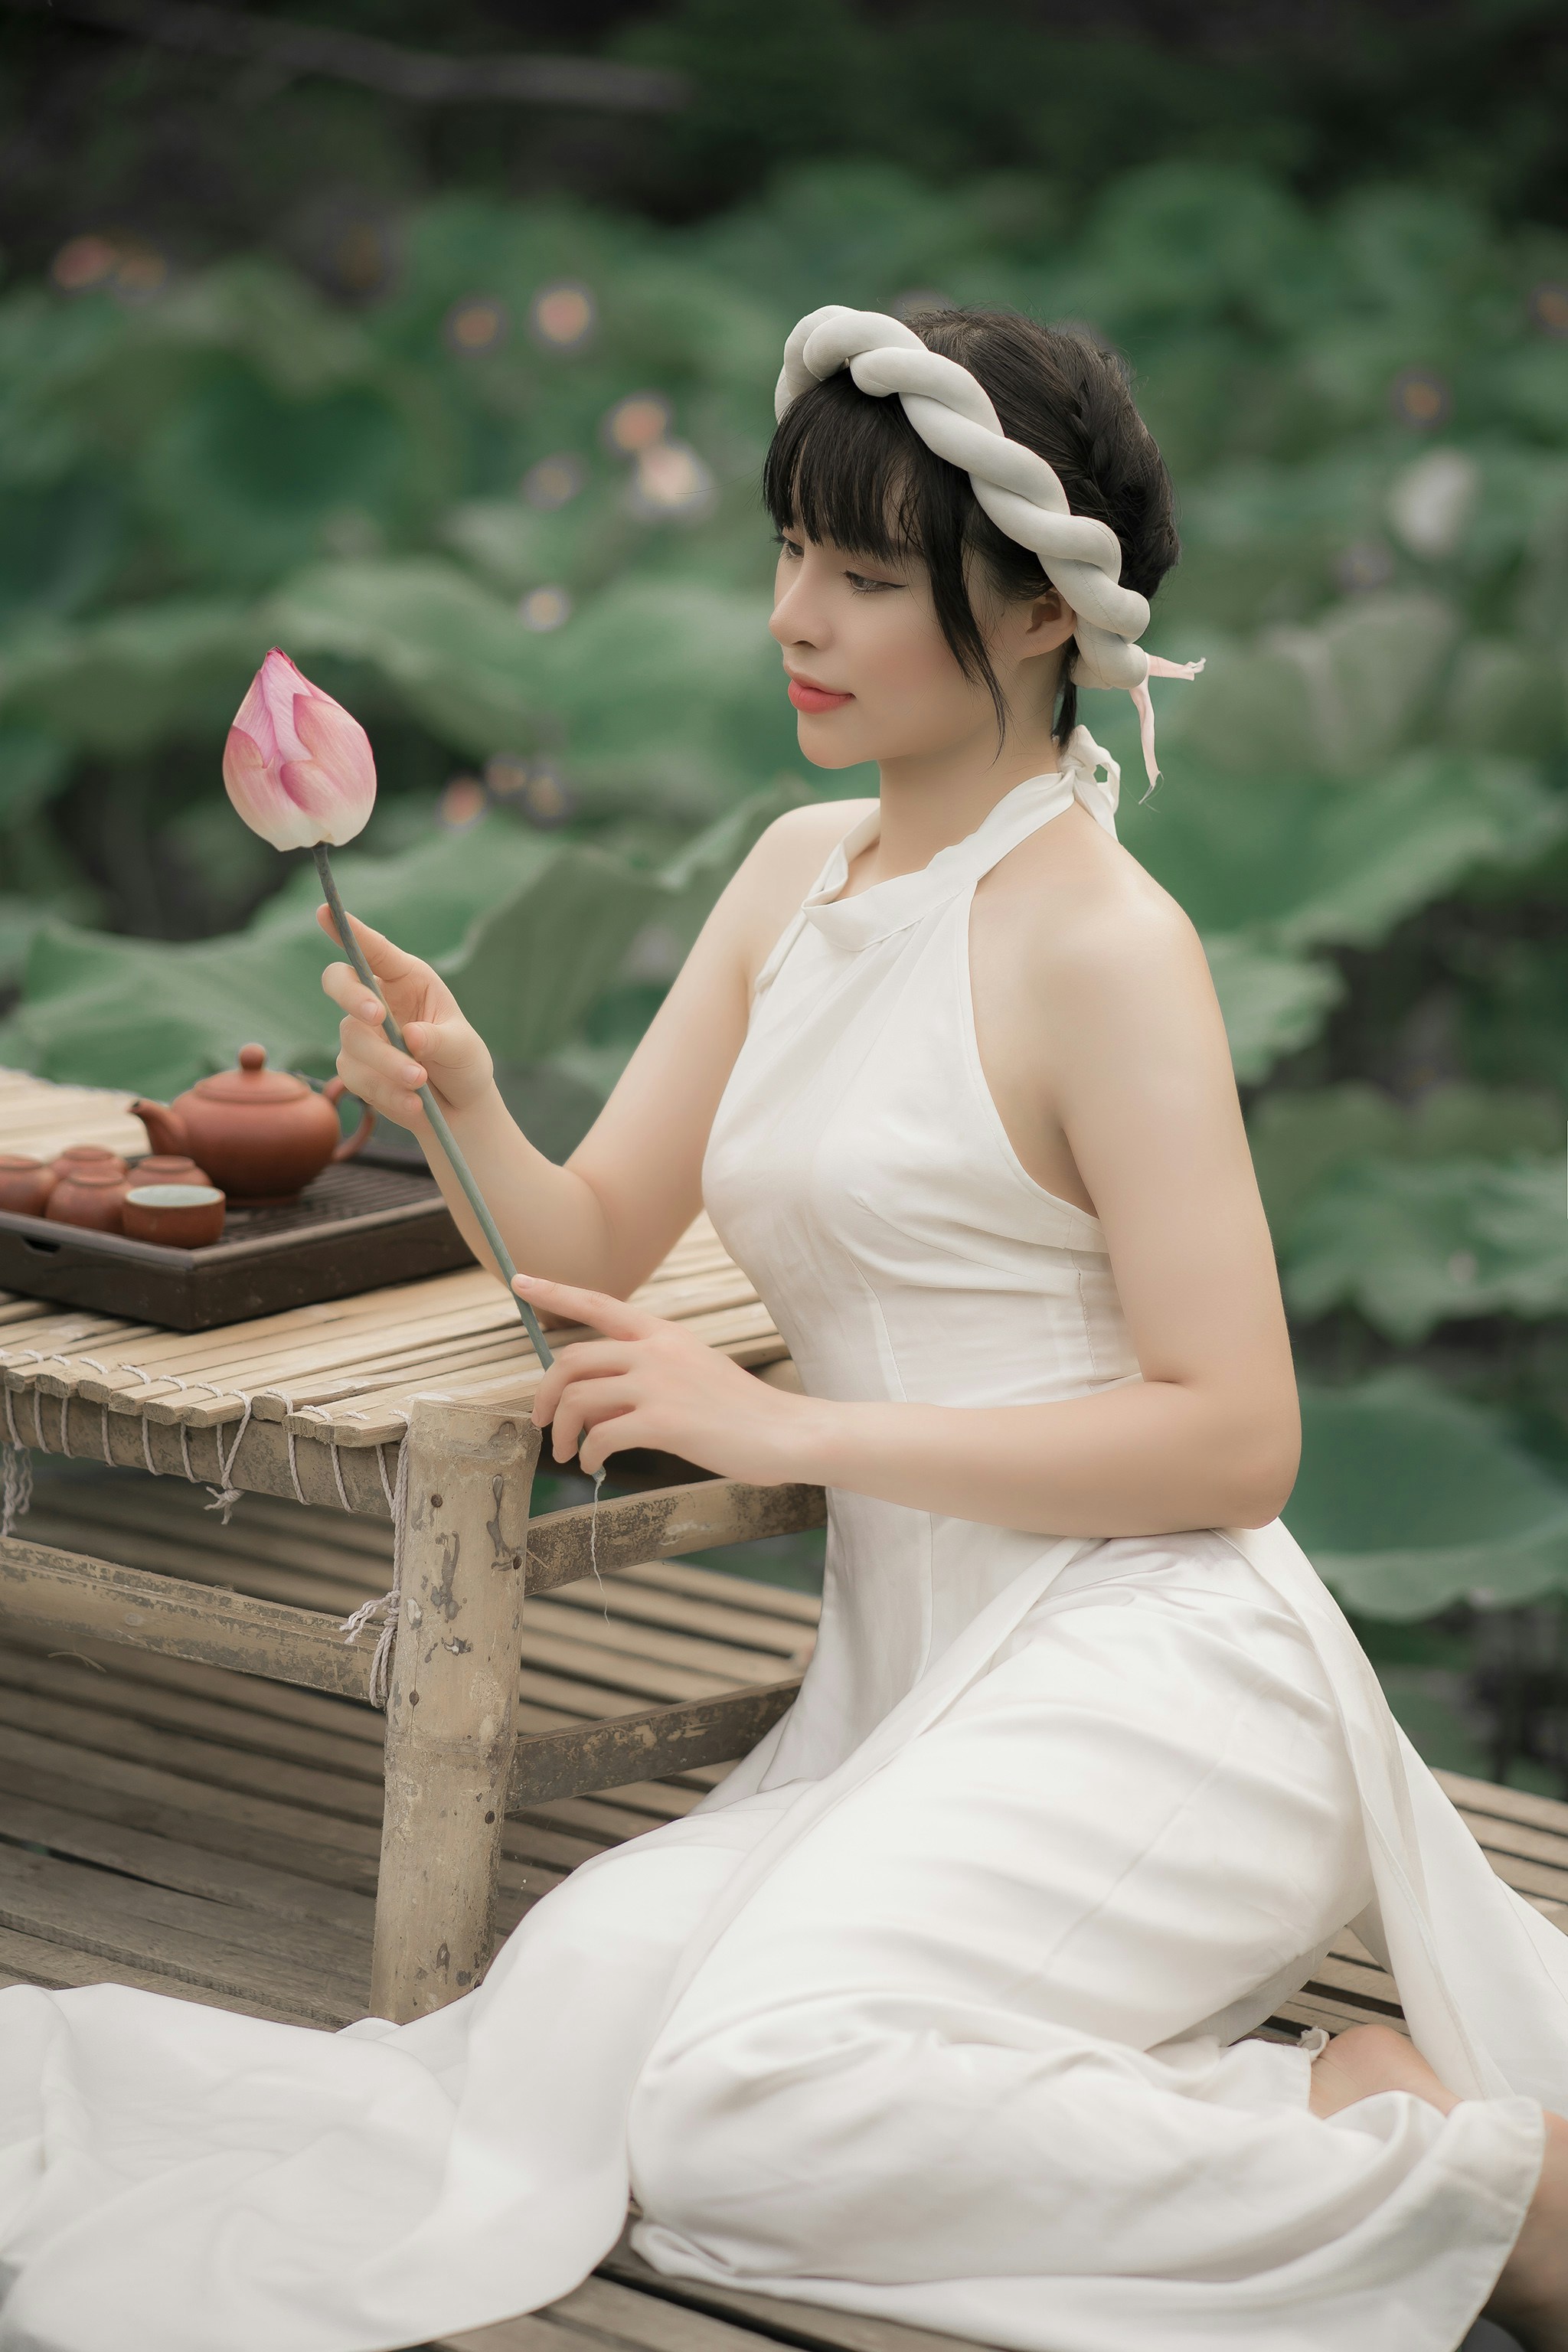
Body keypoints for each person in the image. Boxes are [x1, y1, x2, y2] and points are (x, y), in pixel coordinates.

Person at [3, 305, 1567, 2352]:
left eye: (861, 575)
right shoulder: (794, 871)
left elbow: (1235, 1442)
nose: (792, 617)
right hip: (916, 1700)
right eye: (787, 555)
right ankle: (1299, 2115)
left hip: (1160, 1672)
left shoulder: (1109, 944)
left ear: (1029, 615)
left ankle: (1451, 2172)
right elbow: (594, 1241)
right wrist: (462, 1096)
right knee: (564, 2037)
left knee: (742, 2117)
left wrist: (788, 1438)